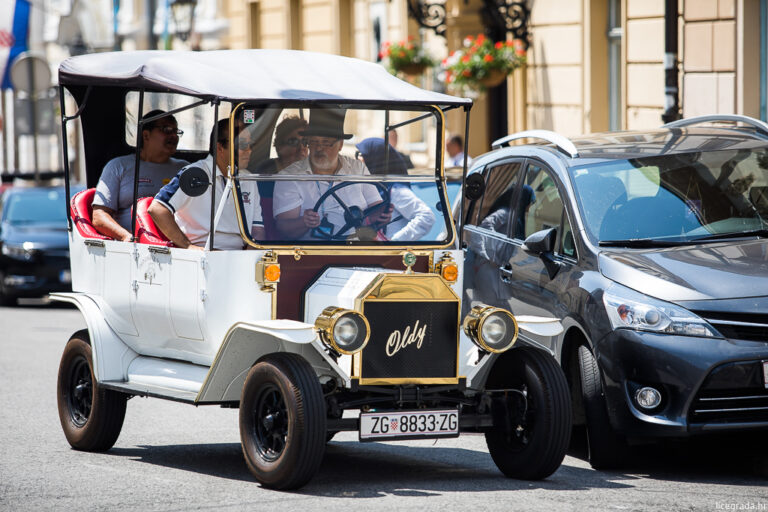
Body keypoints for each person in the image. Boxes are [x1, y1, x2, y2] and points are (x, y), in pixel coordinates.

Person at [273, 109, 391, 240]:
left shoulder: (358, 168)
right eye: (314, 142)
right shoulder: (289, 176)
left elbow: (375, 208)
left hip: (359, 245)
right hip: (314, 249)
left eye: (326, 142)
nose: (319, 148)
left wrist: (383, 214)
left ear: (340, 145)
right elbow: (284, 229)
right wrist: (304, 222)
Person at [149, 118, 265, 250]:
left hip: (239, 256)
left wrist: (248, 257)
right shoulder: (194, 173)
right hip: (201, 255)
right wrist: (188, 246)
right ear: (220, 148)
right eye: (242, 144)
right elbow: (157, 208)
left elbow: (258, 230)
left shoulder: (249, 178)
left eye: (251, 145)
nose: (249, 150)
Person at [92, 110, 188, 241]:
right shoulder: (118, 166)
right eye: (166, 130)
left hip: (177, 246)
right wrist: (126, 236)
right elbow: (99, 216)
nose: (174, 136)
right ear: (146, 135)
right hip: (131, 246)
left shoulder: (185, 170)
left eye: (176, 131)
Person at [355, 137, 435, 241]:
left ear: (375, 158)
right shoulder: (374, 187)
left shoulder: (394, 190)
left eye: (361, 155)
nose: (358, 159)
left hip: (391, 250)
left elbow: (426, 216)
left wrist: (395, 242)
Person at [252, 115, 309, 238]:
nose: (301, 148)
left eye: (305, 142)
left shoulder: (313, 174)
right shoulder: (265, 172)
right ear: (279, 145)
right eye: (293, 142)